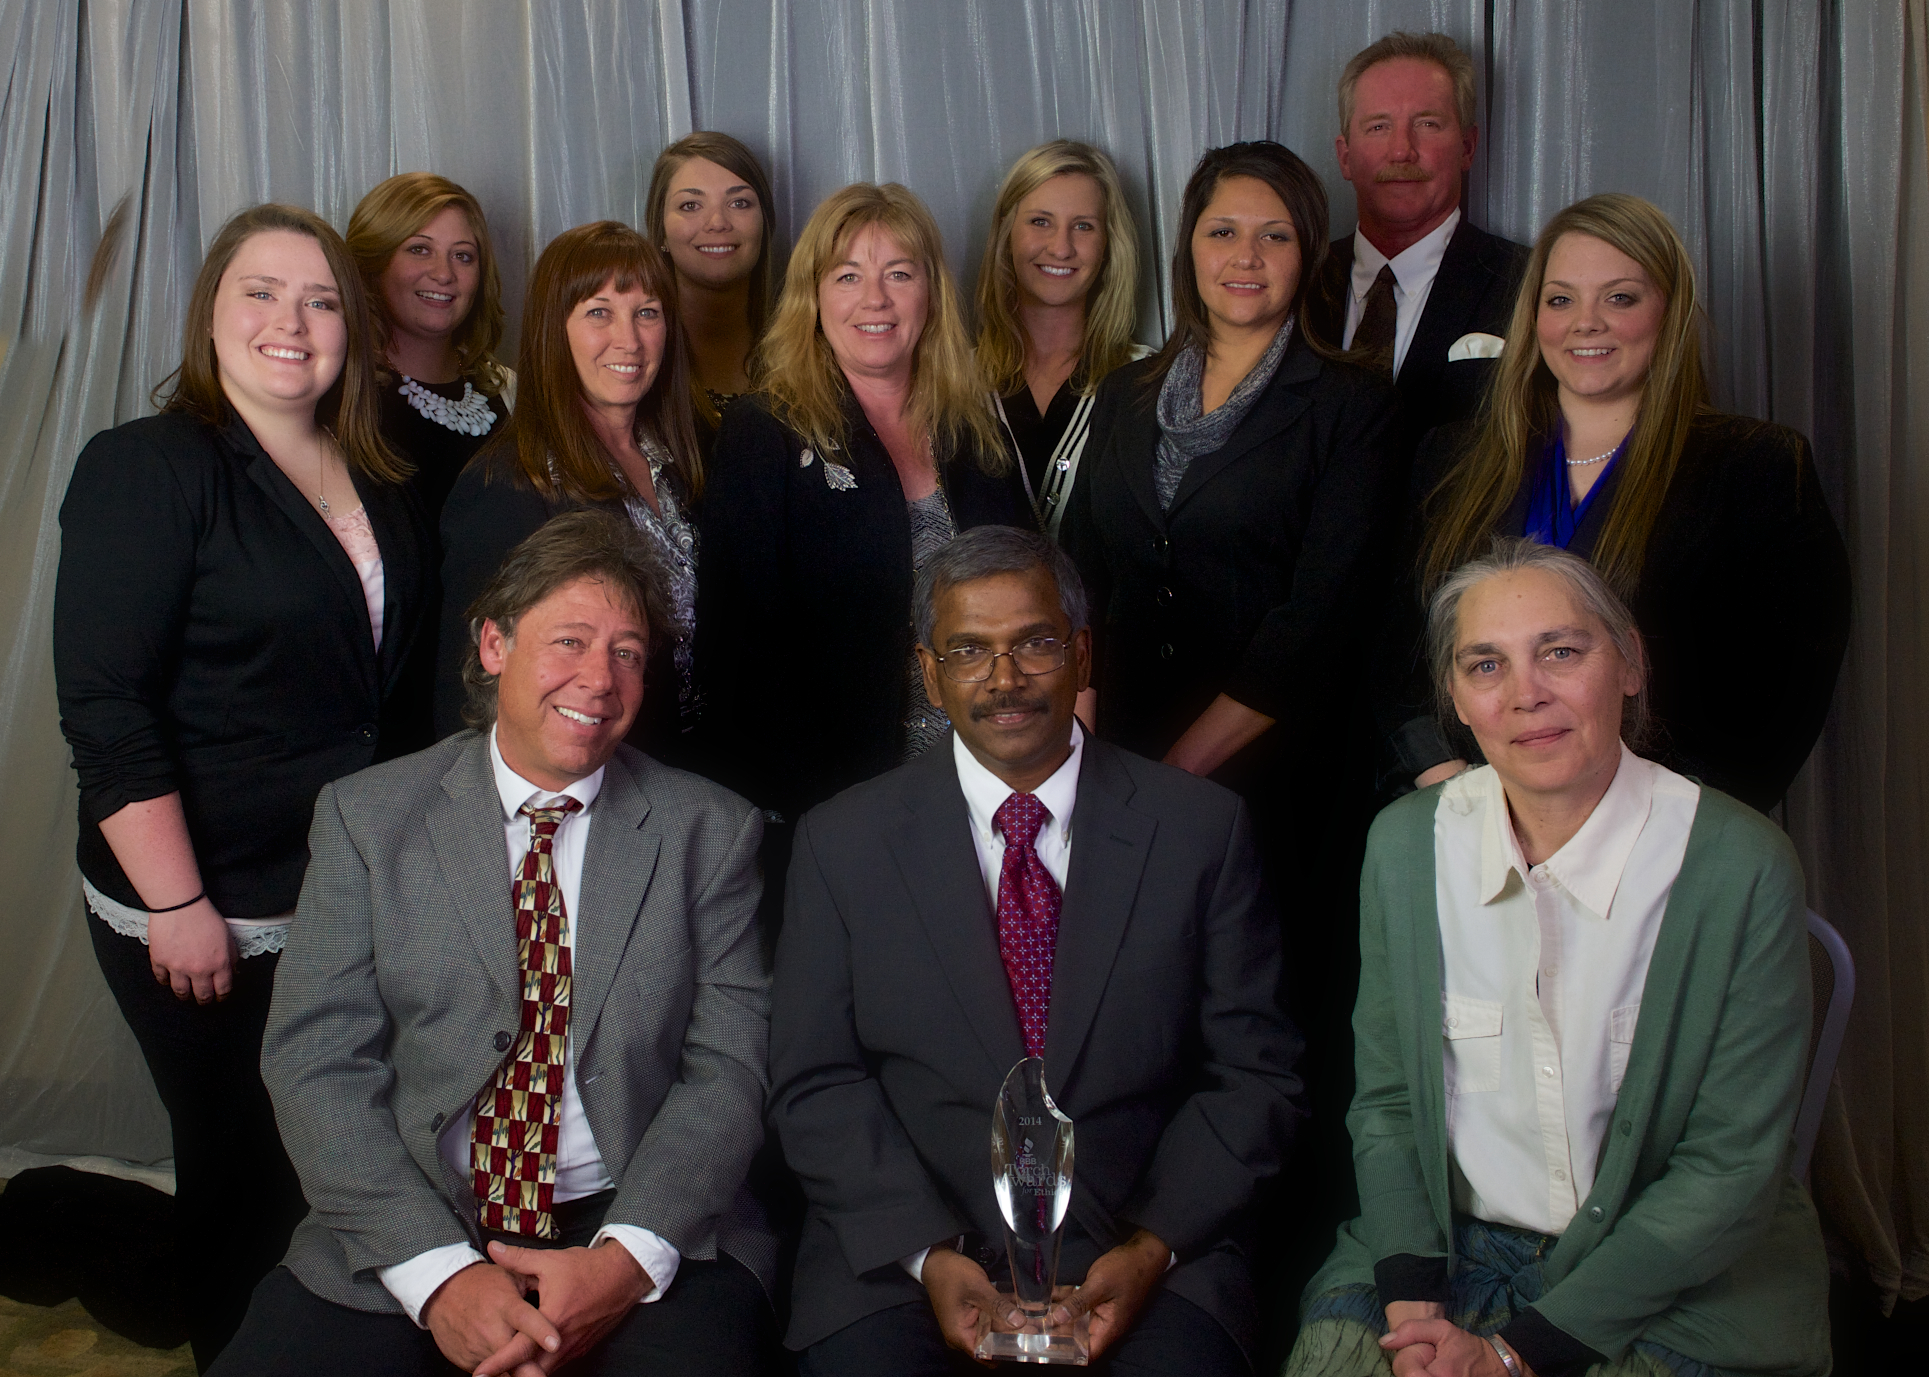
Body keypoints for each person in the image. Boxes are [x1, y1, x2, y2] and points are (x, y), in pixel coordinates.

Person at [209, 511, 776, 1377]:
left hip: (633, 1215)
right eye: (570, 641)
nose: (599, 677)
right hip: (413, 1215)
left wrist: (624, 1259)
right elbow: (314, 1060)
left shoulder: (712, 831)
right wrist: (440, 1277)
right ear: (493, 646)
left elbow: (729, 1066)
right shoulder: (368, 818)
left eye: (627, 651)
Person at [769, 524, 1304, 1376]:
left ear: (1083, 653)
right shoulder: (843, 842)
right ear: (929, 675)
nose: (1004, 679)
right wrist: (925, 1253)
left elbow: (1255, 1074)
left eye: (1035, 643)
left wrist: (1153, 1244)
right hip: (906, 1251)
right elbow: (813, 1081)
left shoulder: (1199, 830)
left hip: (1141, 1242)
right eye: (969, 651)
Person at [1287, 538, 1828, 1377]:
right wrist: (1411, 1298)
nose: (1525, 695)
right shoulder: (1404, 847)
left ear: (1629, 664)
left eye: (1561, 652)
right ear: (1457, 700)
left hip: (1675, 1273)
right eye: (1485, 665)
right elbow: (1389, 1102)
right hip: (1446, 1242)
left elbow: (1730, 1167)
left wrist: (1514, 1353)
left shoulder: (1740, 863)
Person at [52, 202, 432, 1368]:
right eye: (260, 292)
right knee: (239, 1171)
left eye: (320, 300)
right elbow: (107, 709)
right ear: (210, 314)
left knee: (335, 1160)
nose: (291, 322)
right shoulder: (148, 466)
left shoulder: (379, 464)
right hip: (204, 901)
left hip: (341, 888)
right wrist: (177, 903)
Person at [1061, 143, 1399, 1296]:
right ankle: (1140, 1245)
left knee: (1273, 1024)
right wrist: (1091, 731)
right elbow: (1087, 571)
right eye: (1221, 231)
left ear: (1308, 254)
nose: (1243, 257)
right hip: (1125, 763)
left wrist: (1181, 773)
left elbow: (1322, 610)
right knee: (1148, 1019)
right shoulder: (1128, 391)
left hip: (1277, 775)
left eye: (1273, 234)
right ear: (1186, 247)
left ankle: (1284, 1280)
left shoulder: (1348, 404)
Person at [1388, 193, 1851, 813]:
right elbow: (1397, 642)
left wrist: (1656, 826)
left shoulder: (1757, 467)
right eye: (1561, 299)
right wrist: (1451, 786)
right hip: (1474, 815)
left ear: (1669, 312)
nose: (1587, 322)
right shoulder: (1450, 459)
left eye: (1620, 297)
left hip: (1662, 833)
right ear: (1533, 316)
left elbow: (1783, 695)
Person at [696, 181, 1034, 835]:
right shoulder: (762, 430)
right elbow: (735, 652)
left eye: (898, 274)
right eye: (847, 276)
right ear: (813, 298)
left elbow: (1031, 593)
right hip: (836, 802)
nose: (874, 299)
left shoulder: (974, 424)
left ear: (930, 293)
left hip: (988, 780)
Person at [435, 221, 705, 763]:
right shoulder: (506, 484)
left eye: (647, 313)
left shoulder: (684, 459)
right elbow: (467, 695)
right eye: (599, 312)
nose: (628, 340)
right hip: (582, 784)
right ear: (552, 330)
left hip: (689, 777)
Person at [1304, 31, 1528, 437]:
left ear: (1468, 147)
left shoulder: (1531, 283)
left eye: (1427, 123)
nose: (1402, 150)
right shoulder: (1295, 283)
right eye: (1377, 127)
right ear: (1345, 155)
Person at [973, 139, 1146, 535]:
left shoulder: (1147, 379)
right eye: (1040, 221)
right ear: (1006, 234)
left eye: (1083, 226)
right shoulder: (952, 379)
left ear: (1108, 246)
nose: (1061, 247)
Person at [346, 171, 512, 525]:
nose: (443, 274)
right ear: (373, 264)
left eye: (463, 256)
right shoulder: (343, 396)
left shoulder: (508, 389)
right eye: (419, 250)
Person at [645, 131, 780, 418]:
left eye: (739, 203)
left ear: (765, 222)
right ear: (661, 231)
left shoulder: (808, 352)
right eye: (691, 205)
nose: (717, 223)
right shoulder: (633, 352)